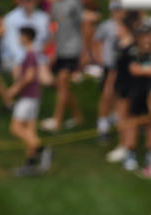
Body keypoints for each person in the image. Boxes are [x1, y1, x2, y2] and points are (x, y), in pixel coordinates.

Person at [7, 26, 51, 177]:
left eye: (21, 36)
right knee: (30, 130)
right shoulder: (31, 54)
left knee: (15, 128)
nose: (19, 39)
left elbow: (30, 76)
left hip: (28, 97)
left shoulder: (30, 54)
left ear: (26, 37)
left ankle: (42, 150)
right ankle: (31, 163)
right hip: (33, 97)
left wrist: (14, 89)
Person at [40, 0, 84, 133]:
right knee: (63, 85)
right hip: (60, 50)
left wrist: (85, 52)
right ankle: (77, 116)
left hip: (73, 50)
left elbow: (82, 26)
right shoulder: (55, 6)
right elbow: (54, 28)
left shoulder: (74, 4)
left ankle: (57, 120)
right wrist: (50, 45)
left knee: (62, 83)